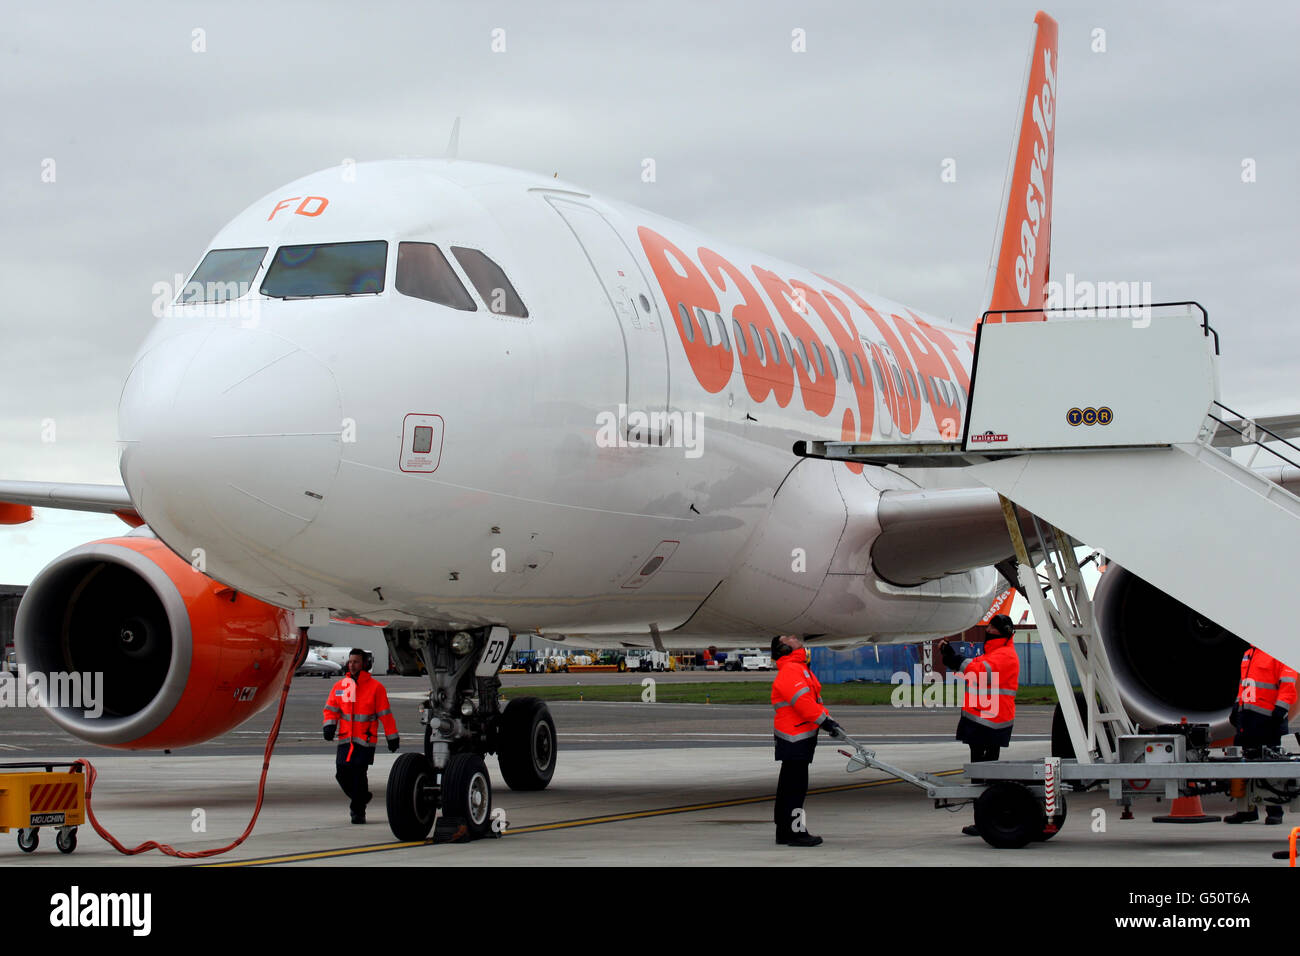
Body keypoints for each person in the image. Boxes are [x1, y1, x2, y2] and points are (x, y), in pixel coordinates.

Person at [941, 613, 1019, 836]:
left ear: (1000, 632)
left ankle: (985, 820)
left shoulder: (1004, 655)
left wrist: (954, 659)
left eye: (991, 629)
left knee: (984, 773)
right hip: (982, 720)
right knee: (983, 772)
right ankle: (985, 819)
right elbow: (973, 666)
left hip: (990, 722)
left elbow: (976, 671)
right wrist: (952, 658)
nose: (988, 631)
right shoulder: (995, 653)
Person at [770, 634, 842, 847]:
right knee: (795, 788)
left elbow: (813, 701)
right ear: (784, 648)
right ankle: (796, 832)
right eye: (788, 638)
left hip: (798, 735)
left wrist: (827, 719)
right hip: (795, 736)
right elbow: (802, 702)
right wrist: (825, 722)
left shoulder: (798, 667)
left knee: (789, 786)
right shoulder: (791, 670)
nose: (795, 637)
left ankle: (784, 831)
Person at [323, 648, 399, 823]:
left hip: (365, 740)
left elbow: (385, 715)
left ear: (364, 664)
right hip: (345, 739)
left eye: (356, 662)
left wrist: (392, 737)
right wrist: (329, 726)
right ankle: (362, 797)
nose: (352, 665)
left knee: (358, 776)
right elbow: (331, 709)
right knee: (341, 774)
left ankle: (358, 811)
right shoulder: (341, 686)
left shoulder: (375, 688)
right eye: (350, 662)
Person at [1225, 644, 1297, 825]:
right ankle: (1246, 809)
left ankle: (1275, 810)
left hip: (1269, 718)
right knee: (1243, 765)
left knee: (1270, 766)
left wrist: (1281, 709)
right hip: (1247, 717)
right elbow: (1244, 684)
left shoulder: (1278, 653)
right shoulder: (1248, 654)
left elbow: (1288, 684)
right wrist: (1237, 706)